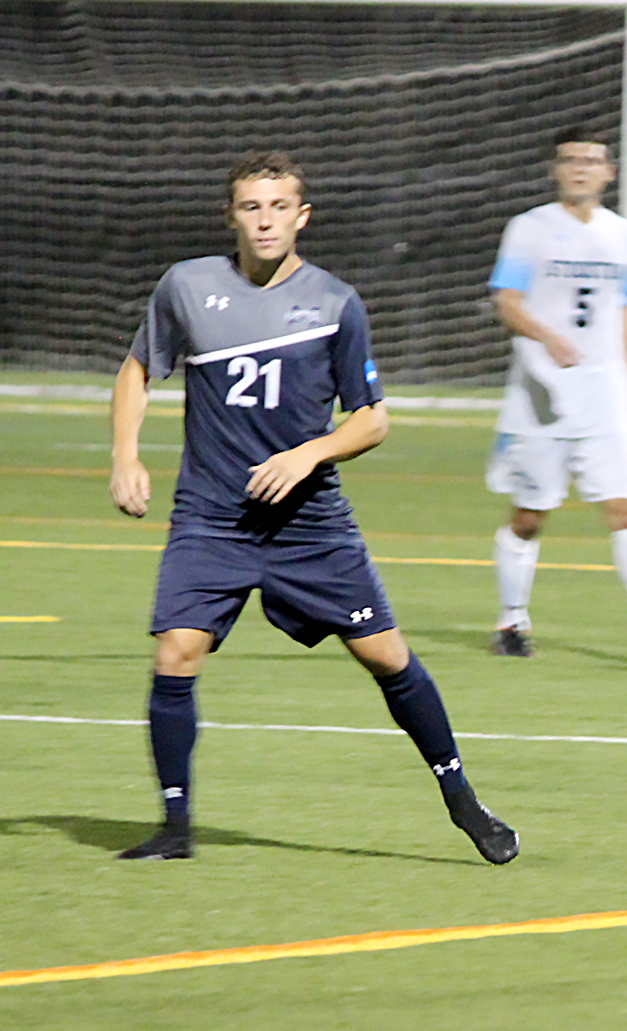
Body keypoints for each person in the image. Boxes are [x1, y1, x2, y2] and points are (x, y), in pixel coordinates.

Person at [107, 151, 518, 865]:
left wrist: (309, 454)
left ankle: (461, 798)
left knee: (386, 656)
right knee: (175, 653)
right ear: (231, 215)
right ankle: (176, 828)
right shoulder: (186, 286)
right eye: (250, 207)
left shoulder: (335, 304)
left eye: (278, 208)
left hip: (307, 523)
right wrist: (125, 456)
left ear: (302, 216)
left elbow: (372, 419)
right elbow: (138, 369)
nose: (264, 221)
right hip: (213, 516)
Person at [484, 128, 627, 665]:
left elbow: (625, 313)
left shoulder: (624, 235)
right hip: (542, 395)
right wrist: (548, 336)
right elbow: (506, 301)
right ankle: (511, 621)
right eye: (570, 160)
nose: (581, 169)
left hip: (604, 397)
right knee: (530, 516)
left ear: (609, 172)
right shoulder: (529, 229)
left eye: (592, 161)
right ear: (556, 170)